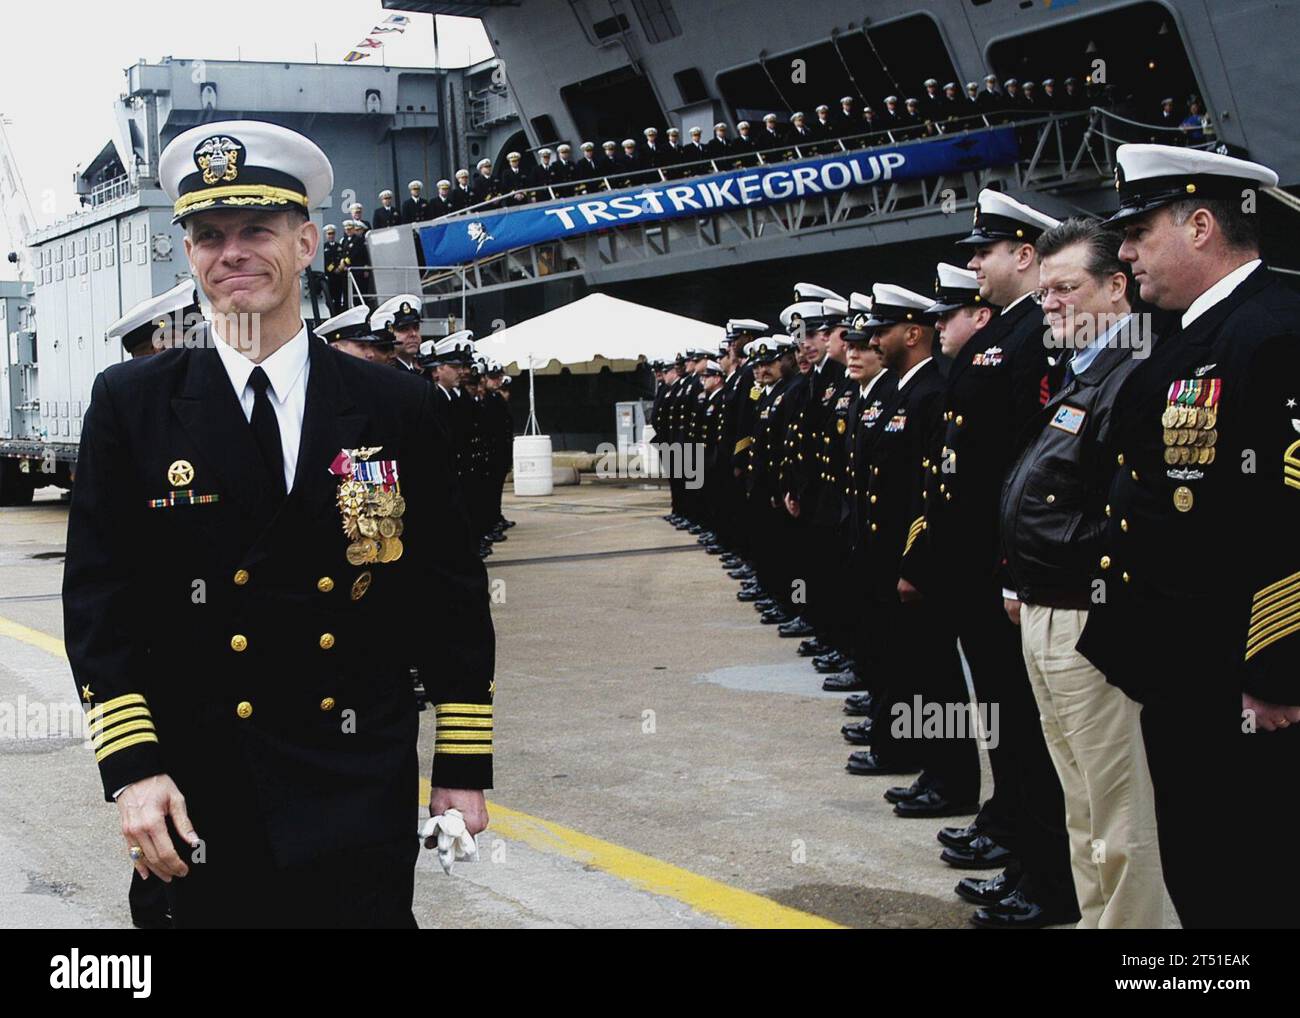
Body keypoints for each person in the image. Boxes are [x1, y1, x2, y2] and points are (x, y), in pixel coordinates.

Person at [64, 120, 495, 929]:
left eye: (257, 230)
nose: (234, 253)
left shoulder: (394, 405)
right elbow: (99, 602)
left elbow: (449, 591)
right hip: (199, 785)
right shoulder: (132, 404)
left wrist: (461, 764)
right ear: (188, 255)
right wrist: (134, 770)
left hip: (355, 774)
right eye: (209, 235)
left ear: (307, 243)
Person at [1076, 144, 1300, 928]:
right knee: (1203, 867)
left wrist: (1278, 668)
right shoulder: (1186, 337)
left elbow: (1290, 518)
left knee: (1252, 875)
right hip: (1182, 662)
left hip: (1242, 674)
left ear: (1201, 224)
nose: (1125, 252)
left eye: (1138, 232)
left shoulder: (1276, 331)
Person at [999, 217, 1163, 928]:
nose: (1051, 304)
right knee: (1082, 805)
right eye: (1043, 294)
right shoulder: (1087, 372)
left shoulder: (1135, 372)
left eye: (1066, 288)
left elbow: (1140, 513)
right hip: (1045, 608)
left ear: (1117, 287)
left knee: (1121, 812)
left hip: (1089, 618)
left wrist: (1065, 567)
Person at [374, 293, 425, 375]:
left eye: (416, 327)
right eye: (404, 329)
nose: (413, 334)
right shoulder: (388, 374)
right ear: (389, 332)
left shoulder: (420, 374)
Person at [322, 224, 346, 314]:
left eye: (332, 234)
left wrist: (339, 268)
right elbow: (325, 261)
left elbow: (343, 257)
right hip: (330, 276)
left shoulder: (339, 246)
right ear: (326, 235)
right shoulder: (324, 247)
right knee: (329, 298)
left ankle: (338, 314)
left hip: (339, 276)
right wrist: (333, 269)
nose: (331, 236)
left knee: (338, 298)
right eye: (329, 234)